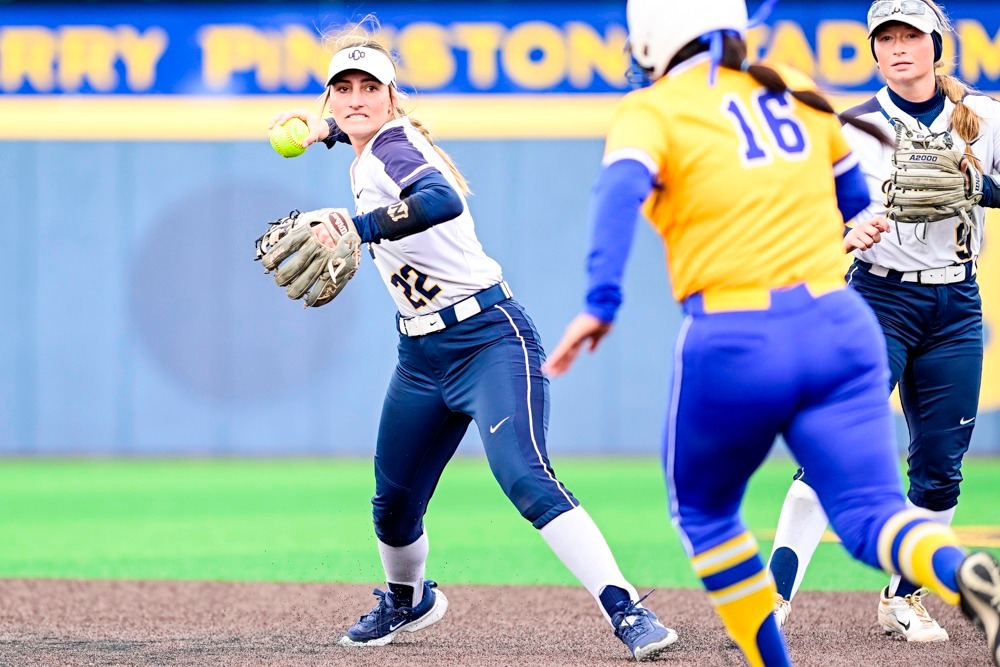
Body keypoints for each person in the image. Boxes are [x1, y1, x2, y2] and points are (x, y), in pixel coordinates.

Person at [541, 1, 1000, 666]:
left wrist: (600, 302)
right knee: (874, 509)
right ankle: (958, 572)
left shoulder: (656, 106)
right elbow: (852, 204)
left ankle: (770, 652)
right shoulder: (793, 88)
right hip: (842, 324)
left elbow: (617, 194)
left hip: (738, 328)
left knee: (706, 513)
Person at [265, 20, 678, 662]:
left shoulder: (394, 146)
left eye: (368, 87)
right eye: (341, 89)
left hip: (489, 339)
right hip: (421, 357)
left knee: (525, 477)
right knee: (392, 505)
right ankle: (410, 601)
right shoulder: (363, 146)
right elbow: (355, 137)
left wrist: (361, 225)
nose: (355, 98)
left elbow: (441, 198)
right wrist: (323, 133)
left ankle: (627, 609)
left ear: (392, 99)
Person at [766, 0, 1000, 643]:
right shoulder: (853, 126)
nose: (899, 47)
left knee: (941, 466)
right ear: (873, 50)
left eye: (911, 36)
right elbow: (813, 213)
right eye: (886, 38)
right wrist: (849, 225)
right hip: (877, 299)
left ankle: (903, 598)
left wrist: (978, 188)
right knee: (832, 447)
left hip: (956, 304)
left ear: (936, 44)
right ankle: (774, 599)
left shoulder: (983, 116)